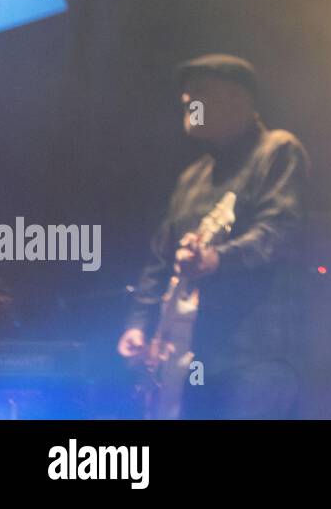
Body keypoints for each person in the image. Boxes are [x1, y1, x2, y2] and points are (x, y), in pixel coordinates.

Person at [117, 54, 309, 419]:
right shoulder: (192, 177)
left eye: (200, 90)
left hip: (257, 356)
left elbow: (281, 231)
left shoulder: (277, 150)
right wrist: (139, 325)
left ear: (239, 100)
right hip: (189, 356)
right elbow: (161, 260)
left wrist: (216, 258)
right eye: (186, 93)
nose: (187, 99)